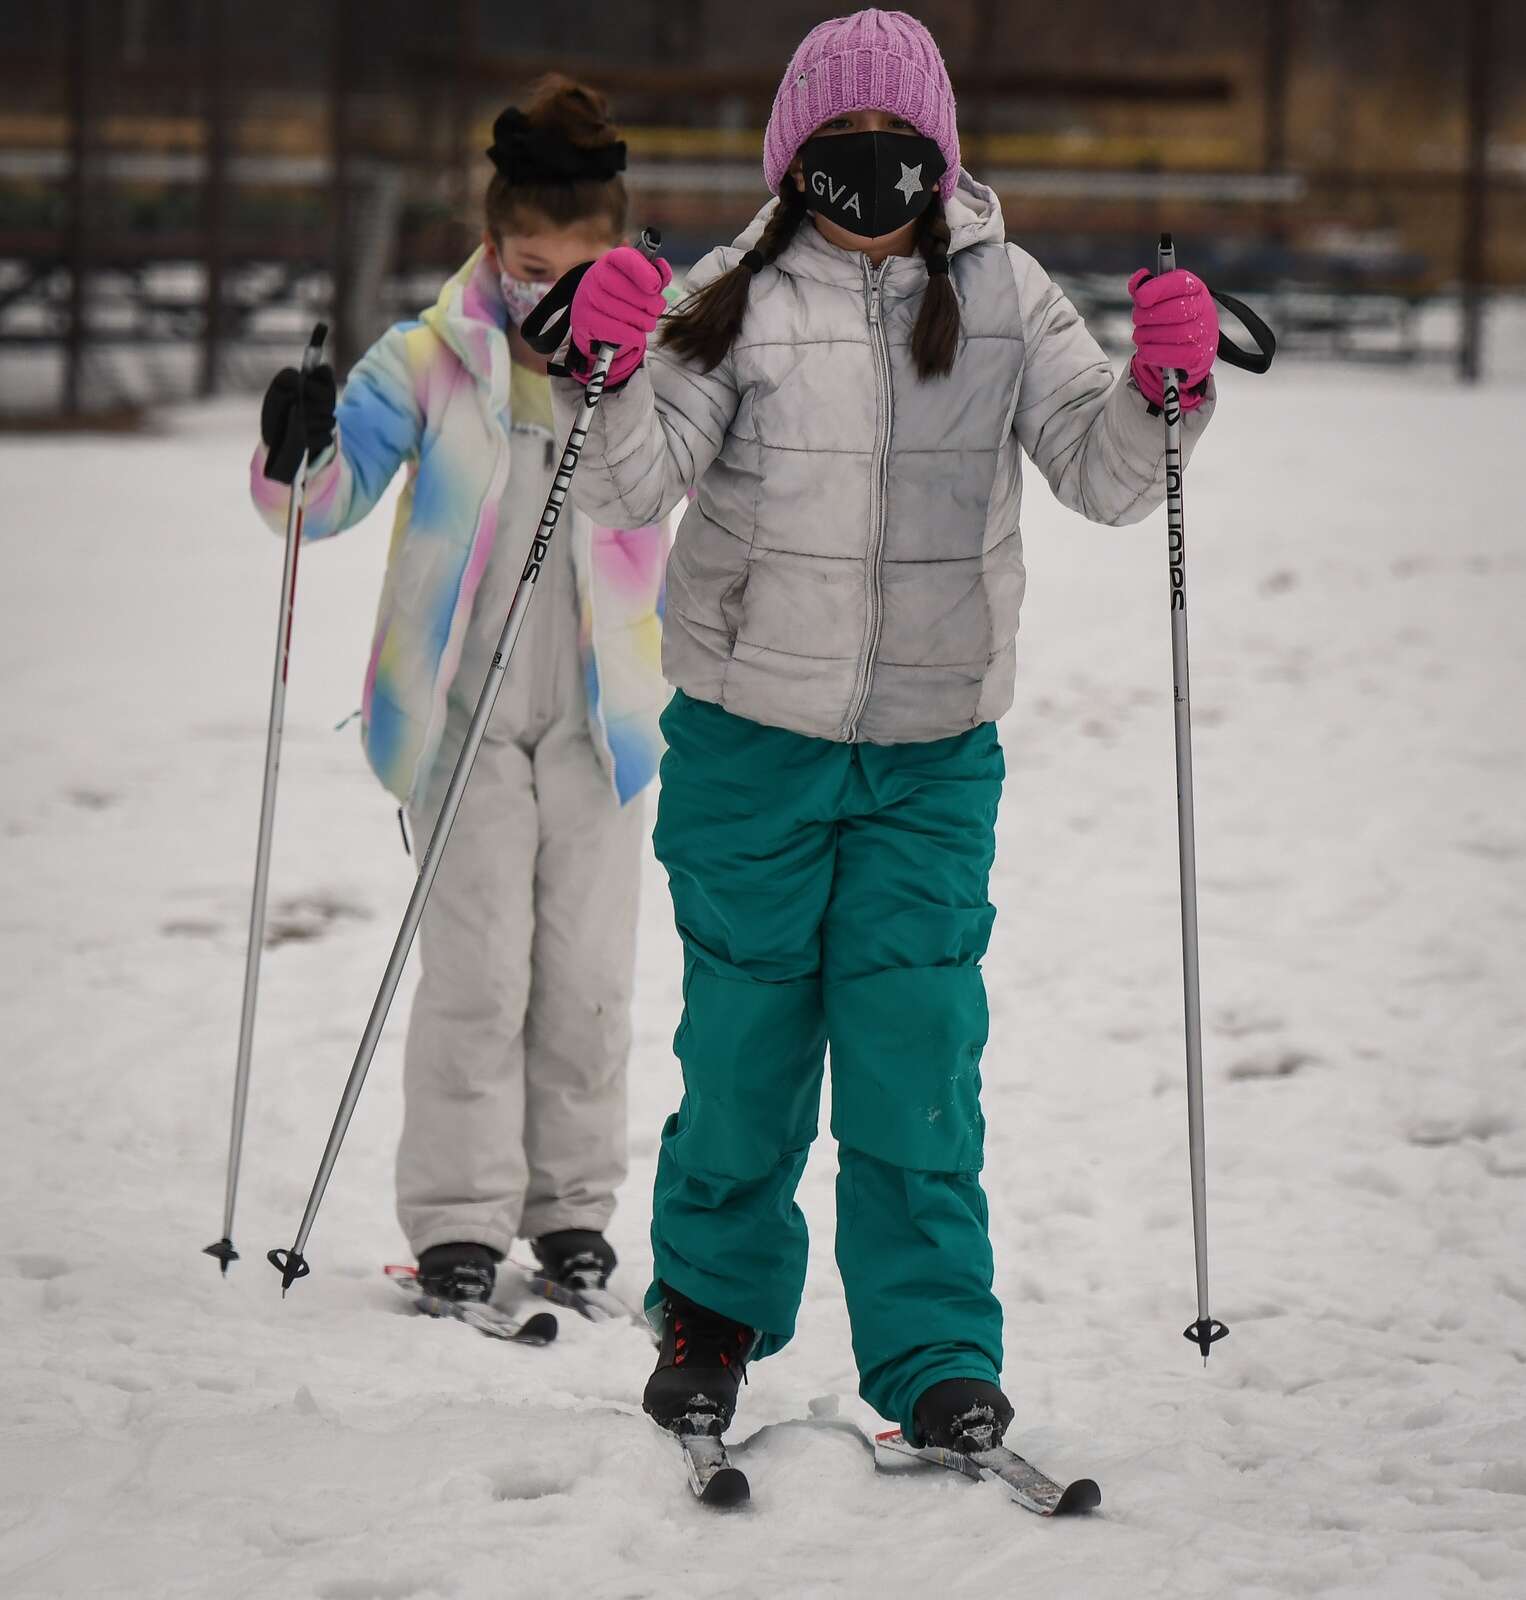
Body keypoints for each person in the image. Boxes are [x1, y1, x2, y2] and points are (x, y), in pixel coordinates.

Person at [552, 9, 1223, 1449]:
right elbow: (624, 487)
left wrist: (1164, 391)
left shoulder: (1006, 296)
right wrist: (600, 374)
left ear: (943, 154)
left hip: (930, 758)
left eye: (899, 145)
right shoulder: (729, 293)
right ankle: (710, 1320)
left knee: (916, 1059)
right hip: (749, 747)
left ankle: (931, 1353)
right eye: (841, 146)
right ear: (794, 158)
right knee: (741, 1054)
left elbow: (1102, 476)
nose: (873, 170)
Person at [249, 76, 670, 1303]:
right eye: (524, 261)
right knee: (479, 973)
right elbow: (321, 501)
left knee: (587, 982)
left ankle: (573, 1207)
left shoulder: (659, 348)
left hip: (606, 717)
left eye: (572, 267)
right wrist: (296, 448)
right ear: (493, 244)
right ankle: (459, 1217)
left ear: (618, 253)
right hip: (459, 716)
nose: (545, 287)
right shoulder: (430, 357)